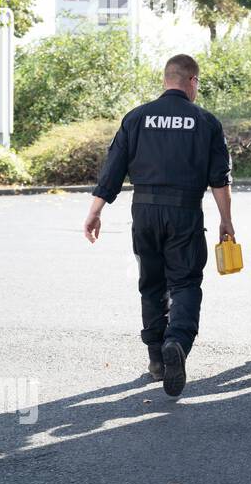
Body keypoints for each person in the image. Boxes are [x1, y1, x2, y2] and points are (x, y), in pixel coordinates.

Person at [83, 54, 233, 397]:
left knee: (151, 284)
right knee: (185, 283)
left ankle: (156, 359)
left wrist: (95, 211)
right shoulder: (205, 121)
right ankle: (176, 342)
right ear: (192, 82)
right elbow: (219, 179)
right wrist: (226, 220)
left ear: (166, 80)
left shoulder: (136, 118)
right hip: (184, 213)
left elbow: (113, 169)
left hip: (144, 212)